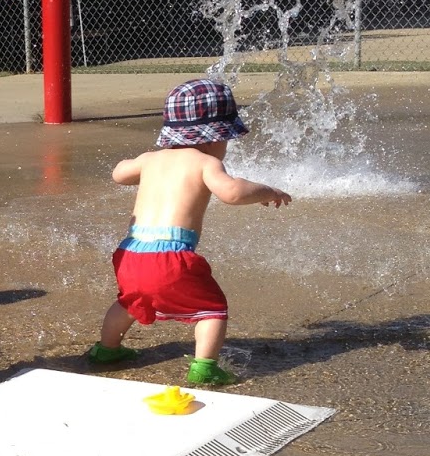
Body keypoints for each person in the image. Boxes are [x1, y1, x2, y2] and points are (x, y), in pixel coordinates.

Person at [87, 77, 291, 387]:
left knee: (129, 302)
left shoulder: (149, 159)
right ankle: (204, 367)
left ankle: (107, 350)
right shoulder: (206, 162)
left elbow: (118, 173)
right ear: (213, 137)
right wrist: (268, 191)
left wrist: (143, 166)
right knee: (212, 310)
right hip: (170, 256)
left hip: (129, 254)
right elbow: (233, 193)